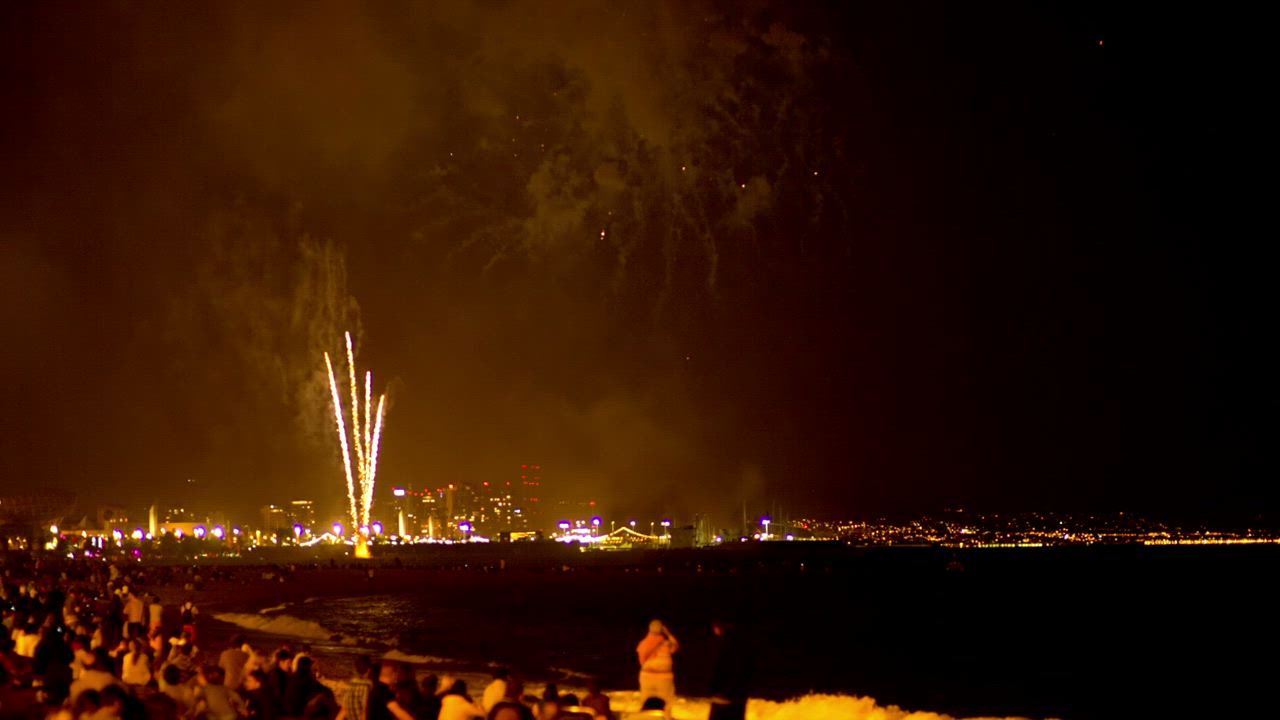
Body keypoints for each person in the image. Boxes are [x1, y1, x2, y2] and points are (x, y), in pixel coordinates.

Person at [707, 619, 752, 720]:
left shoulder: (722, 645)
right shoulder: (744, 644)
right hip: (740, 694)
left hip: (723, 695)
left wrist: (712, 690)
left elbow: (718, 668)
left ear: (718, 628)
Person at [635, 619, 678, 718]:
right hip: (663, 677)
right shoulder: (665, 643)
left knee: (645, 699)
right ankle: (665, 717)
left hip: (647, 676)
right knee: (666, 701)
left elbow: (641, 660)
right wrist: (668, 633)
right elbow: (676, 645)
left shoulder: (644, 643)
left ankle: (644, 717)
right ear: (662, 630)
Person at [335, 655, 373, 720]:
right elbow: (365, 709)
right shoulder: (367, 686)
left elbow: (344, 710)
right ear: (369, 669)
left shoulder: (351, 685)